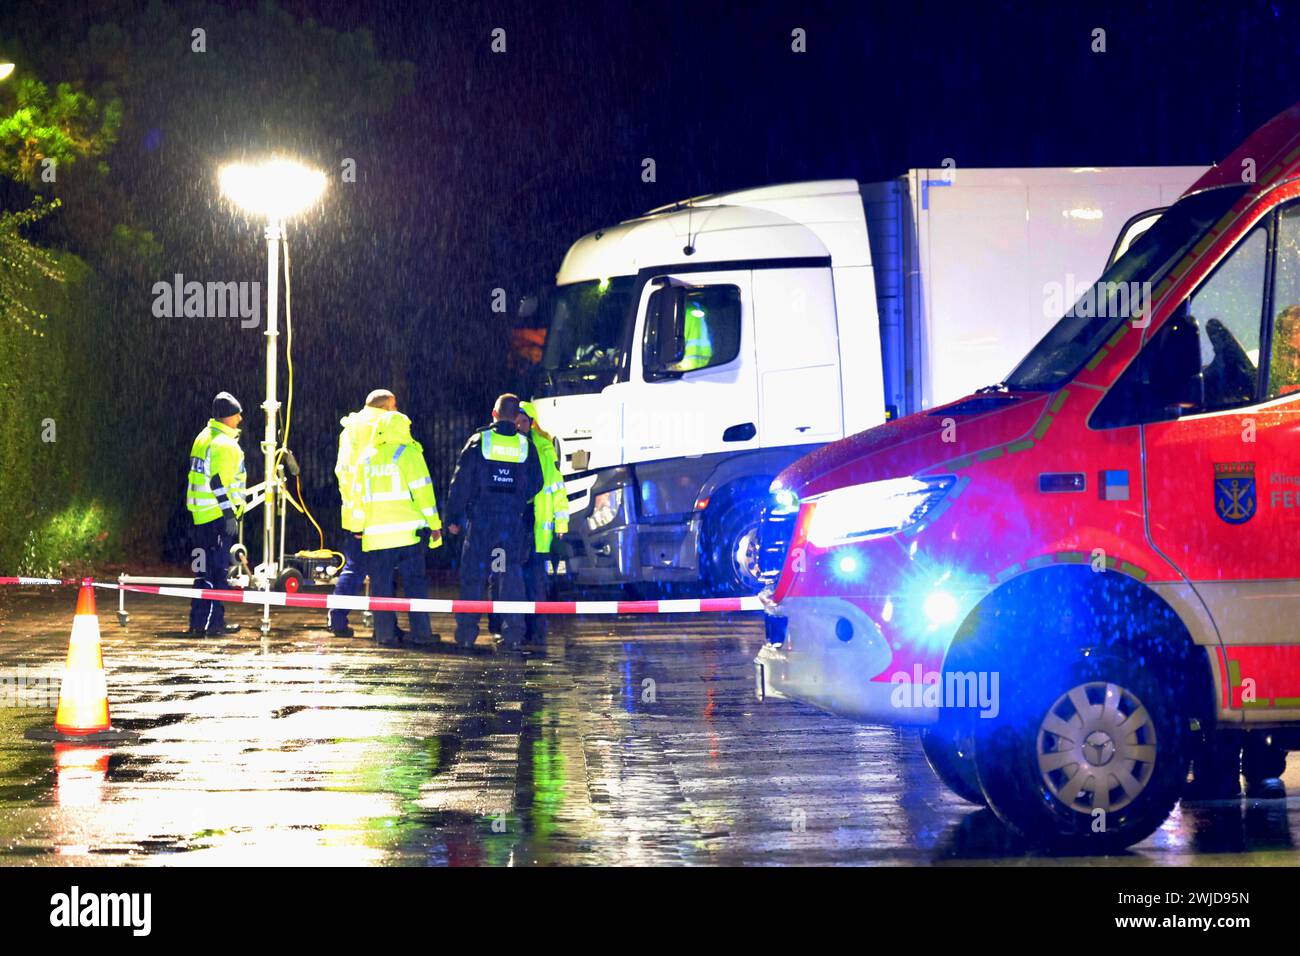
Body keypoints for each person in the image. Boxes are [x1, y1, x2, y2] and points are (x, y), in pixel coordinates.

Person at [445, 393, 543, 649]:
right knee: (509, 575)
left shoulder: (479, 441)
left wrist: (454, 516)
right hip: (510, 525)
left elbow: (461, 482)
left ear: (494, 414)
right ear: (516, 417)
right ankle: (513, 633)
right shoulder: (525, 446)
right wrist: (515, 501)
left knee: (473, 577)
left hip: (481, 523)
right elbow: (537, 482)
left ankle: (467, 633)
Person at [352, 397, 442, 645]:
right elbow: (424, 492)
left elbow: (357, 497)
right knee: (415, 585)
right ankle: (421, 633)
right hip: (407, 535)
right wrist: (434, 524)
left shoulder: (366, 458)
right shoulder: (409, 453)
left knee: (381, 588)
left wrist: (358, 528)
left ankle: (385, 635)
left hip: (377, 538)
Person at [331, 389, 394, 637]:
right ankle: (384, 626)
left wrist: (356, 511)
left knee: (354, 567)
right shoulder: (385, 427)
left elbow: (344, 472)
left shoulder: (350, 429)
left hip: (355, 511)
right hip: (380, 511)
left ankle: (337, 617)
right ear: (387, 406)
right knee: (381, 570)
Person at [185, 391, 247, 636]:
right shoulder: (226, 444)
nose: (240, 418)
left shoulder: (203, 438)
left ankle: (198, 622)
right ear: (227, 417)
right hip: (217, 518)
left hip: (199, 515)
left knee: (202, 572)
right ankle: (212, 624)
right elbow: (218, 482)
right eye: (236, 414)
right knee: (216, 572)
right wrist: (229, 514)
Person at [517, 400, 569, 645]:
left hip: (538, 529)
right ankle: (518, 630)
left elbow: (558, 489)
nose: (519, 424)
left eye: (524, 420)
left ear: (532, 422)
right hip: (518, 527)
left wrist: (561, 524)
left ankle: (536, 632)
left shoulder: (544, 449)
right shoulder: (511, 445)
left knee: (535, 584)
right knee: (514, 583)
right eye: (516, 419)